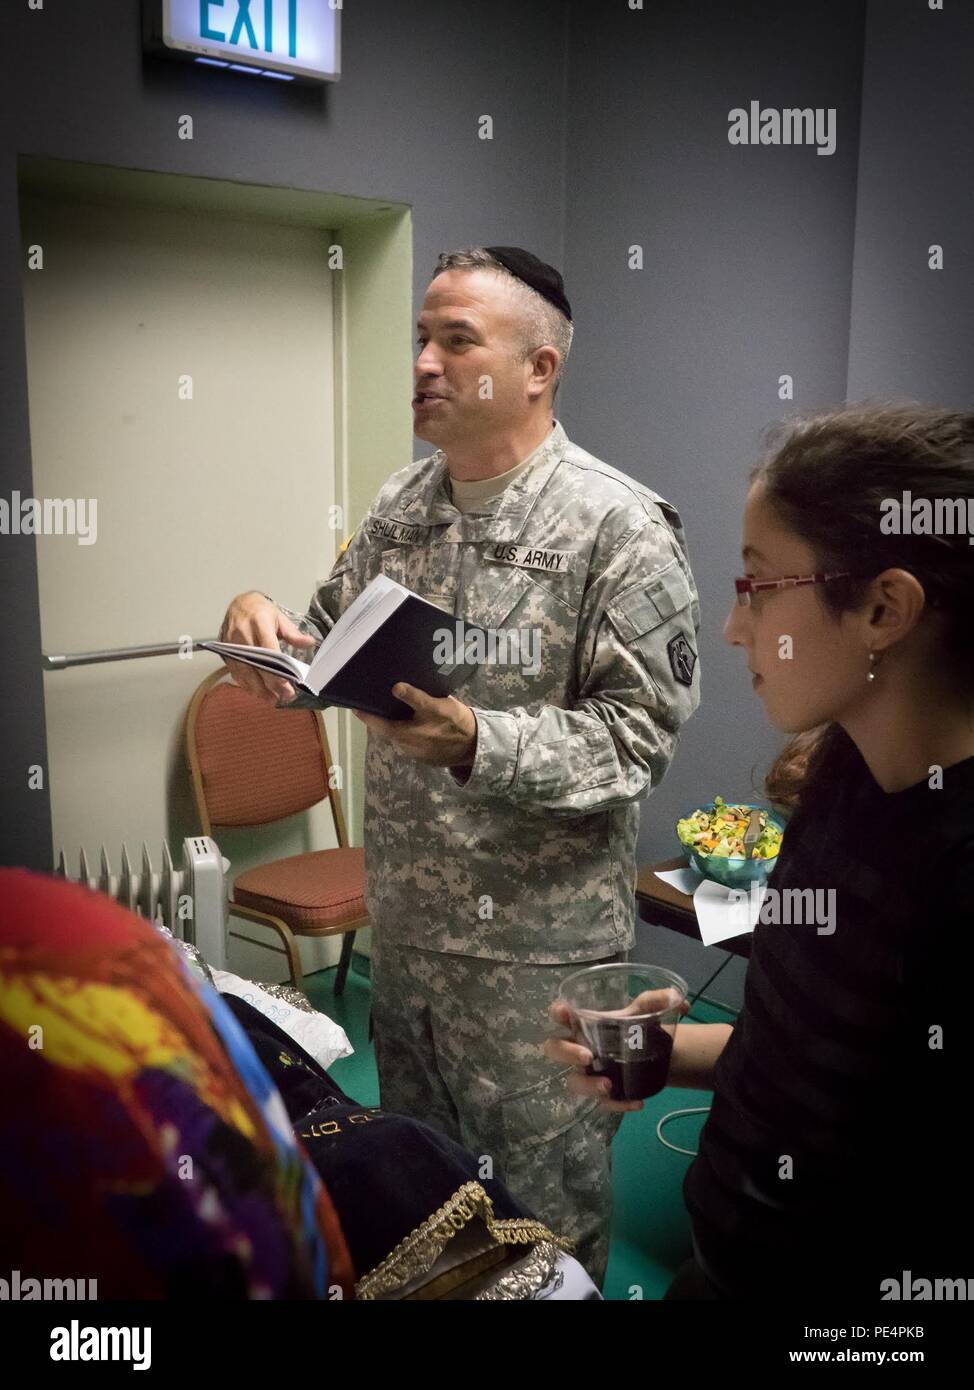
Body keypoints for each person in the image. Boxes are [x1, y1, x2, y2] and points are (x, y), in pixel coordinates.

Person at [218, 246, 701, 1284]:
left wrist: (481, 742)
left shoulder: (616, 527)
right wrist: (260, 633)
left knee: (539, 1223)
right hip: (410, 934)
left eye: (455, 339)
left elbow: (635, 740)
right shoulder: (403, 505)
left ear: (538, 366)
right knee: (427, 1211)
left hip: (537, 963)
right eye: (418, 338)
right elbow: (320, 652)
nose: (423, 362)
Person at [547, 401, 974, 1300]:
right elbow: (808, 1051)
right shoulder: (845, 775)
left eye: (757, 587)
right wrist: (667, 1049)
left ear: (883, 609)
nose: (736, 631)